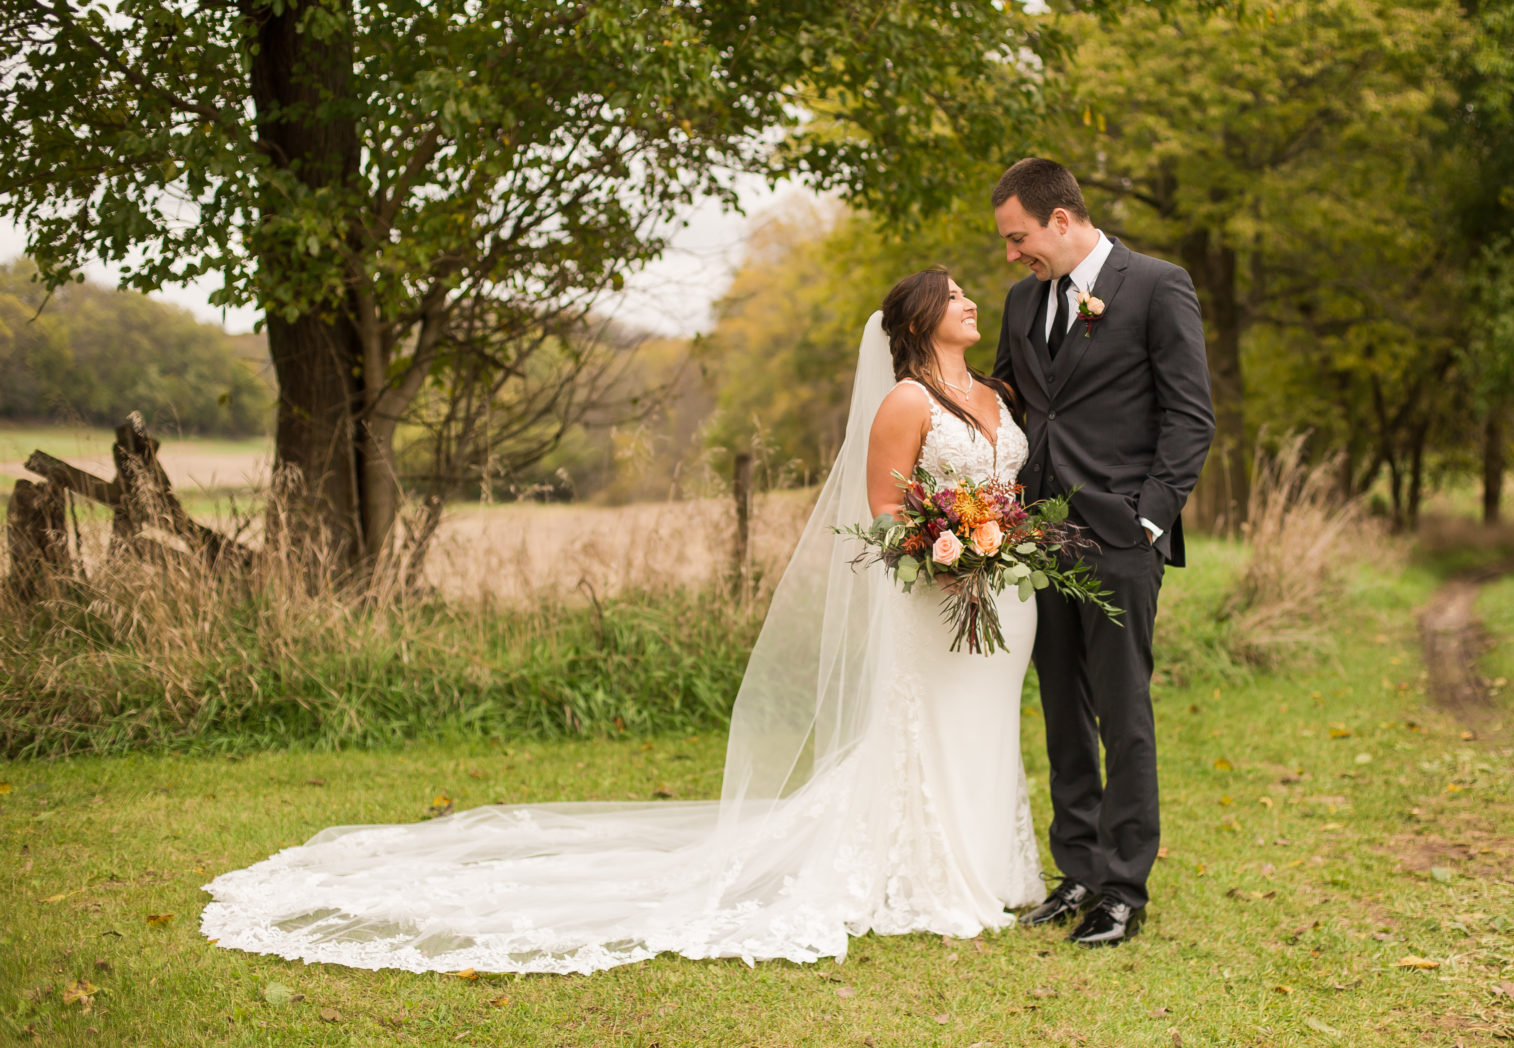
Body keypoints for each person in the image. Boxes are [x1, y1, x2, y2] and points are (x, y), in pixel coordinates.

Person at [199, 269, 1046, 974]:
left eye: (970, 292)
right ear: (917, 320)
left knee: (984, 723)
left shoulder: (993, 396)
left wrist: (997, 546)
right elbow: (883, 507)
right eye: (955, 294)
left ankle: (997, 868)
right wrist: (947, 546)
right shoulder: (905, 401)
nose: (973, 301)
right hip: (933, 594)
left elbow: (1008, 487)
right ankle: (938, 873)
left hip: (1004, 594)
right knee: (927, 724)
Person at [990, 157, 1215, 947]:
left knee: (1123, 715)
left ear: (1061, 219)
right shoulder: (1022, 302)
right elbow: (1008, 407)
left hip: (1121, 538)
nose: (1013, 255)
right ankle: (1077, 871)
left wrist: (1147, 523)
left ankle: (1123, 889)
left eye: (1019, 237)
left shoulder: (1157, 284)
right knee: (1060, 714)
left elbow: (1191, 417)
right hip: (1040, 541)